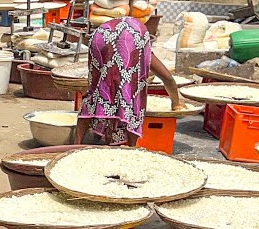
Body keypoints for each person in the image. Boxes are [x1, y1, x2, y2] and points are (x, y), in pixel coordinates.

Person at [73, 15, 182, 147]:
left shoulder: (132, 42)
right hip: (127, 37)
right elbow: (168, 78)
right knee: (133, 96)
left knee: (96, 90)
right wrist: (176, 104)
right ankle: (131, 148)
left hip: (100, 35)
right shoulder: (140, 45)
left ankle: (75, 144)